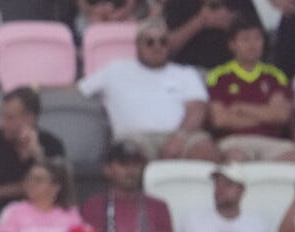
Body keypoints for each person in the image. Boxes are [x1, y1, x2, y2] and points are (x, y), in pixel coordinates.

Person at [80, 20, 219, 160]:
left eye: (163, 42)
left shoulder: (185, 73)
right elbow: (80, 89)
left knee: (205, 150)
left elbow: (197, 110)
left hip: (180, 135)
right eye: (150, 42)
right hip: (134, 137)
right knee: (129, 154)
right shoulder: (115, 69)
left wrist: (179, 138)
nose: (157, 47)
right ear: (138, 45)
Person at [206, 20, 295, 161]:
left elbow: (281, 116)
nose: (252, 45)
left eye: (257, 38)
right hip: (235, 142)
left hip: (272, 141)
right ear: (232, 45)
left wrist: (241, 108)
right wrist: (266, 115)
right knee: (234, 159)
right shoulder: (218, 76)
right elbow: (220, 120)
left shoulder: (275, 75)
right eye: (245, 39)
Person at [0, 86, 67, 217]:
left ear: (30, 118)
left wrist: (37, 154)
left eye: (10, 118)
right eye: (3, 116)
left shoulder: (52, 144)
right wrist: (22, 188)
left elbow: (60, 190)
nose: (3, 123)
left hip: (43, 215)